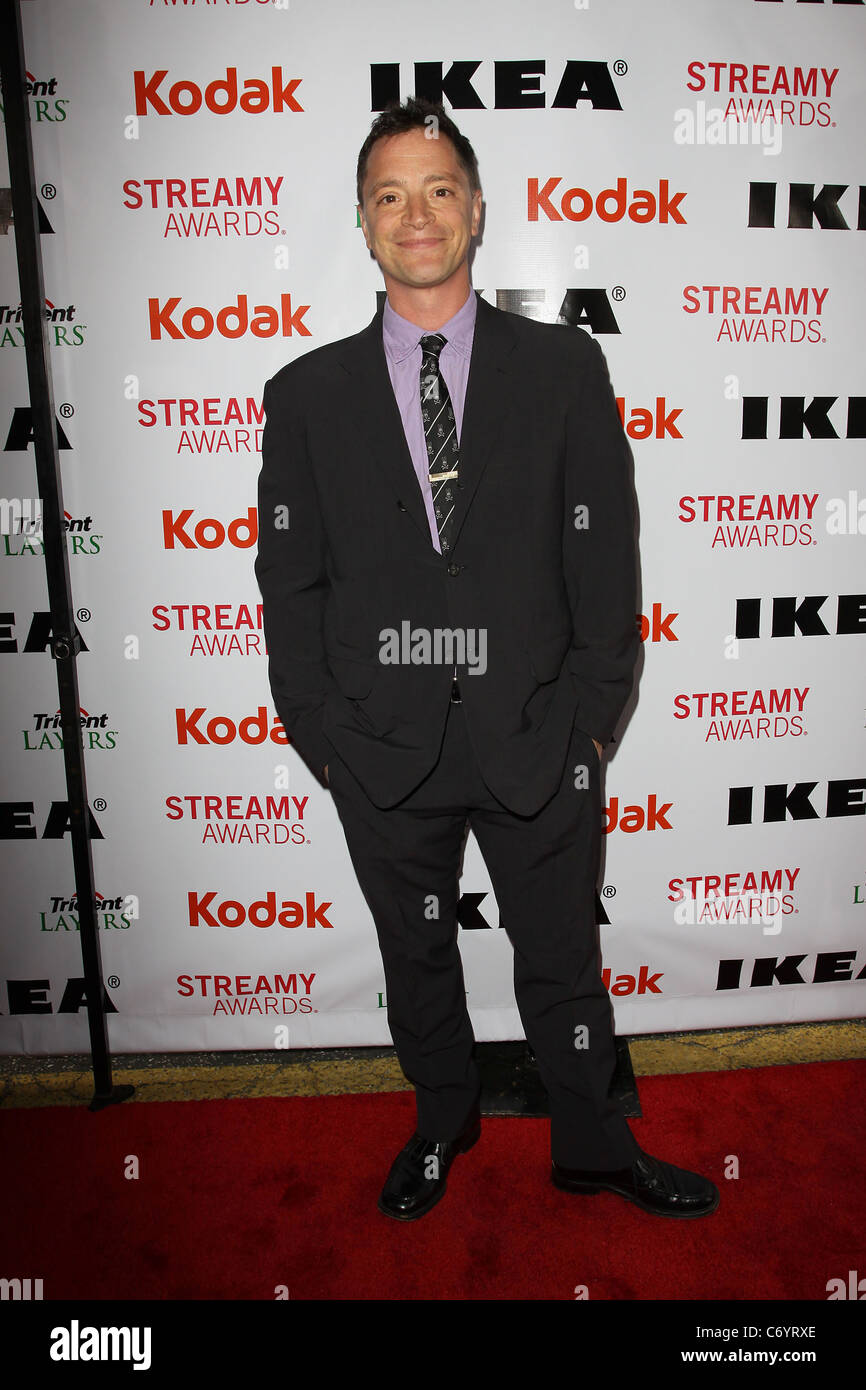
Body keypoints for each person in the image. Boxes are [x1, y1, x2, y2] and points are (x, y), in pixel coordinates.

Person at [255, 97, 718, 1222]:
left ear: (475, 209)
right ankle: (440, 1117)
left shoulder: (563, 369)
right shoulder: (304, 396)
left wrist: (589, 720)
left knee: (560, 959)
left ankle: (593, 1144)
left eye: (438, 189)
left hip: (535, 738)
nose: (416, 215)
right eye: (389, 196)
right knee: (416, 962)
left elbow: (606, 560)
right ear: (363, 225)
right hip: (380, 746)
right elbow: (291, 583)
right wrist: (322, 733)